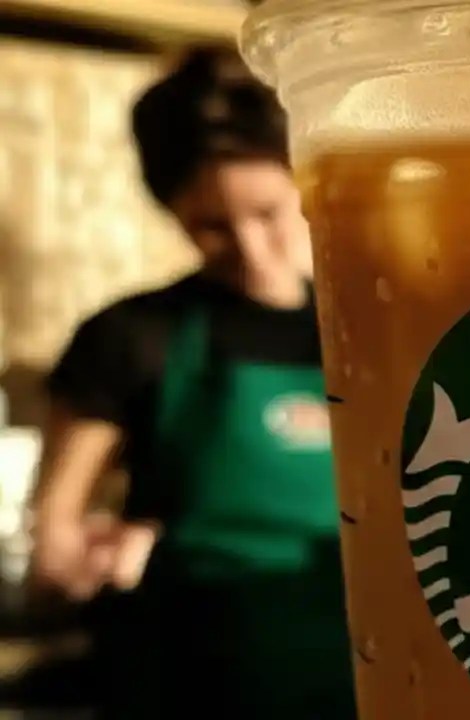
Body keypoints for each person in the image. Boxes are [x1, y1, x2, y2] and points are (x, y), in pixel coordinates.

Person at [27, 47, 354, 719]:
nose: (251, 251)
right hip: (187, 683)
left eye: (268, 213)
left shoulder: (364, 333)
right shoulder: (132, 337)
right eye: (211, 227)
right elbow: (55, 546)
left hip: (358, 677)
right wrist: (89, 554)